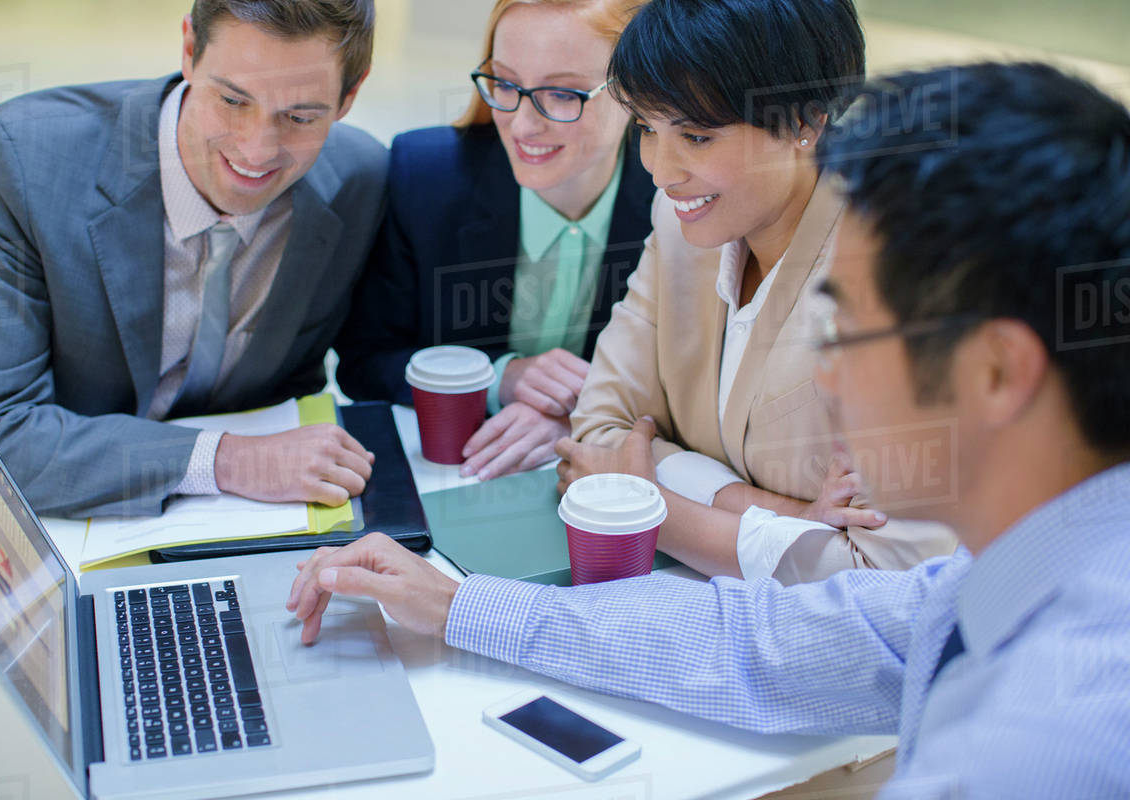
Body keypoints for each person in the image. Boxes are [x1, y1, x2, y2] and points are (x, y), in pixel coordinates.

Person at [288, 62, 1130, 798]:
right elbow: (762, 641)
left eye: (849, 332)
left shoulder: (1039, 752)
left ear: (996, 372)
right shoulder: (1006, 581)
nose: (827, 376)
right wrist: (461, 605)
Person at [556, 0, 956, 583]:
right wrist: (784, 514)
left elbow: (885, 576)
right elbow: (599, 432)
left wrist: (653, 511)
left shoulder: (898, 278)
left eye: (697, 136)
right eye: (646, 128)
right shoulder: (681, 221)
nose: (662, 172)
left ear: (806, 123)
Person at [0, 0, 387, 518]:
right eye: (232, 100)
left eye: (300, 117)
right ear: (190, 50)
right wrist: (225, 460)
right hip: (63, 524)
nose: (257, 150)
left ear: (350, 95)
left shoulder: (361, 179)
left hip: (264, 527)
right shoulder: (18, 161)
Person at [334, 0, 655, 480]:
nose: (522, 125)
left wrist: (585, 415)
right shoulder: (424, 176)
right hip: (453, 472)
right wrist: (500, 377)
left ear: (640, 89)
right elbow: (364, 362)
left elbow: (698, 382)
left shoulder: (680, 201)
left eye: (562, 93)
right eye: (504, 84)